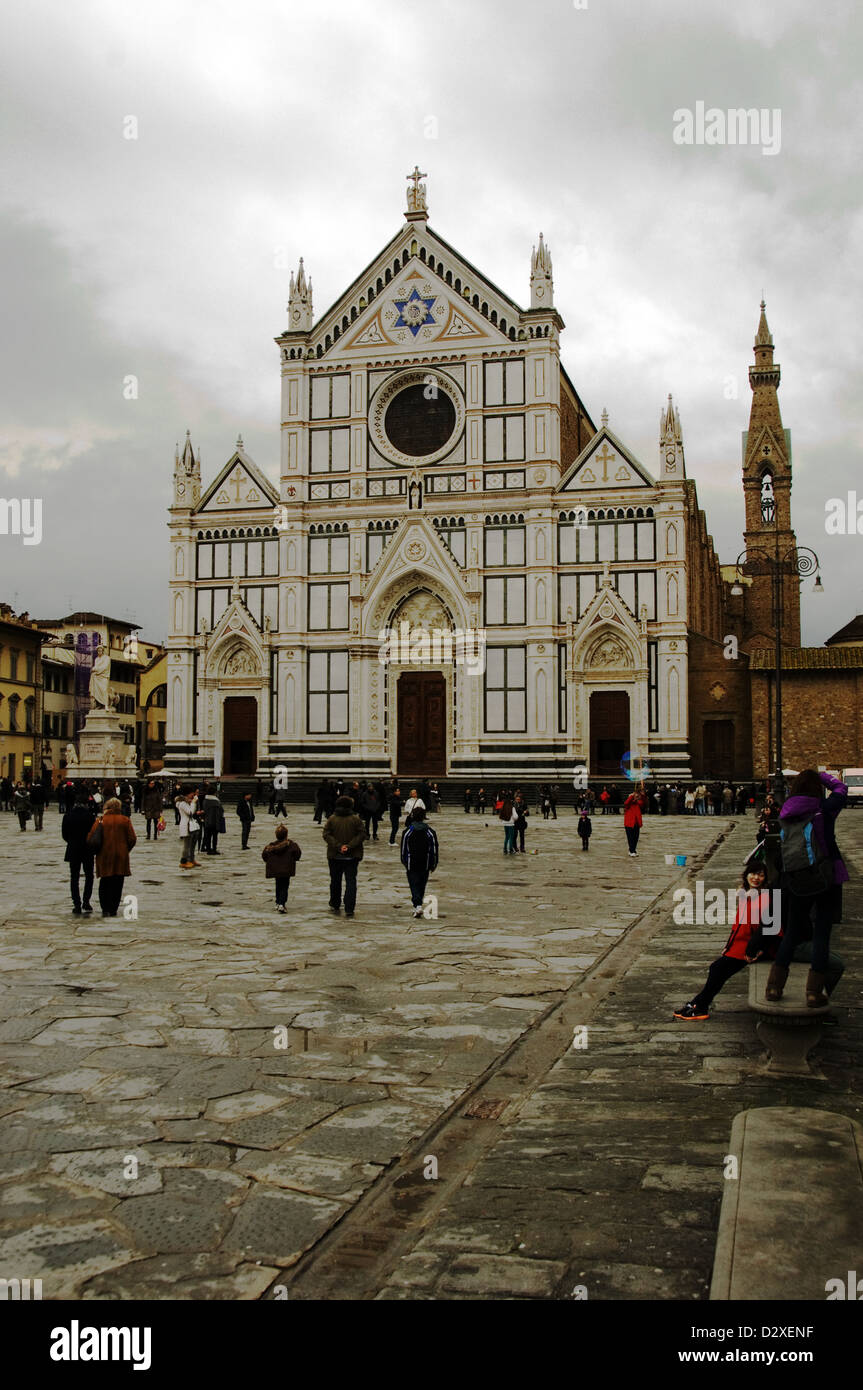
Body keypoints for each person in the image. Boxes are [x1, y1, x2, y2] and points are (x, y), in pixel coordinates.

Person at [766, 770, 848, 1007]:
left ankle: (774, 986)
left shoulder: (786, 811)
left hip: (796, 879)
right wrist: (823, 776)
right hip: (824, 879)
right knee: (822, 934)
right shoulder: (823, 808)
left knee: (792, 931)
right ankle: (813, 992)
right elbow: (842, 790)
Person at [674, 864, 780, 1020]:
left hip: (755, 948)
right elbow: (738, 926)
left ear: (765, 879)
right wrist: (728, 946)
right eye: (753, 873)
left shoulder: (765, 898)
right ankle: (698, 1004)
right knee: (718, 970)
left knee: (717, 969)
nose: (756, 878)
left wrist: (760, 950)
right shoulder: (747, 896)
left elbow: (770, 929)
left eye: (761, 875)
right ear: (746, 875)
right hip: (742, 944)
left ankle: (699, 1005)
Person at [87, 796, 136, 917]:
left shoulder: (101, 820)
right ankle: (113, 908)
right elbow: (132, 839)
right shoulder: (125, 820)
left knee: (105, 881)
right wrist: (125, 849)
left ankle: (105, 907)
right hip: (121, 856)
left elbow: (90, 838)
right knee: (118, 883)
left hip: (104, 855)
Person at [322, 794, 366, 917]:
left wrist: (338, 846)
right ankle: (349, 907)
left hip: (335, 855)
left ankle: (335, 903)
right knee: (351, 882)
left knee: (335, 881)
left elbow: (326, 834)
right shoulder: (356, 819)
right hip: (352, 856)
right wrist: (349, 846)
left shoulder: (332, 819)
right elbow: (362, 834)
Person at [62, 788, 97, 914]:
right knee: (89, 876)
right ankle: (86, 901)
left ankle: (76, 904)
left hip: (73, 849)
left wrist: (72, 841)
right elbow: (94, 834)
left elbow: (64, 835)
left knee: (74, 877)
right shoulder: (90, 817)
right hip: (87, 849)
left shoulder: (68, 815)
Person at [400, 804, 439, 917]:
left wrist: (404, 860)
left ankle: (417, 905)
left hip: (411, 862)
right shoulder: (430, 832)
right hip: (425, 862)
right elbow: (434, 848)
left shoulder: (408, 832)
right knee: (422, 883)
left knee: (413, 883)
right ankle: (418, 904)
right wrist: (434, 862)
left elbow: (404, 848)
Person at [261, 823, 302, 913]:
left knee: (278, 885)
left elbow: (264, 856)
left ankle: (278, 901)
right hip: (286, 869)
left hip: (276, 870)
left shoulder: (270, 846)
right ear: (286, 834)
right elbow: (297, 854)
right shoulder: (291, 845)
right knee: (284, 886)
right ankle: (281, 903)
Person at [176, 787, 200, 868]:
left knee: (192, 844)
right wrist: (193, 803)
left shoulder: (187, 802)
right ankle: (183, 861)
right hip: (186, 825)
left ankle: (191, 859)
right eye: (191, 793)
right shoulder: (182, 803)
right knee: (187, 845)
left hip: (191, 824)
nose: (193, 795)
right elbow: (190, 812)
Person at [201, 785, 224, 855]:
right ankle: (214, 849)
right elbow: (221, 811)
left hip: (207, 820)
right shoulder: (216, 801)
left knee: (207, 835)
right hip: (215, 820)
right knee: (214, 836)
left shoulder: (205, 800)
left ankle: (208, 849)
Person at [623, 788, 645, 856]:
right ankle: (632, 851)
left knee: (636, 838)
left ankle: (632, 850)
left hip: (636, 823)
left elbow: (643, 803)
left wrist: (642, 796)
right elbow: (626, 803)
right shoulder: (628, 805)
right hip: (629, 823)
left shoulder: (638, 803)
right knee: (630, 838)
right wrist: (632, 796)